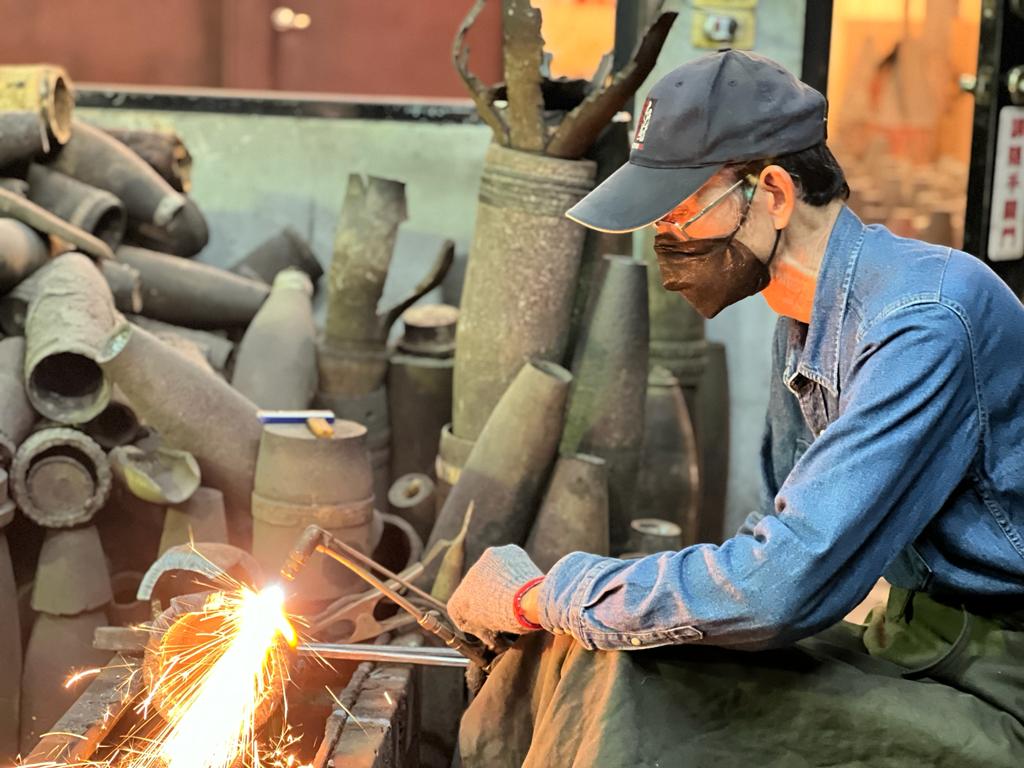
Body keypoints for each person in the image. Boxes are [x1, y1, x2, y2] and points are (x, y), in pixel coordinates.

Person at [445, 50, 1024, 767]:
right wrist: (579, 613)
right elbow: (778, 536)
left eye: (683, 210)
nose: (665, 237)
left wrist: (545, 593)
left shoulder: (924, 321)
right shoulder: (806, 317)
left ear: (775, 193)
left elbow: (780, 585)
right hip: (907, 636)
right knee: (610, 654)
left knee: (628, 693)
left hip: (999, 678)